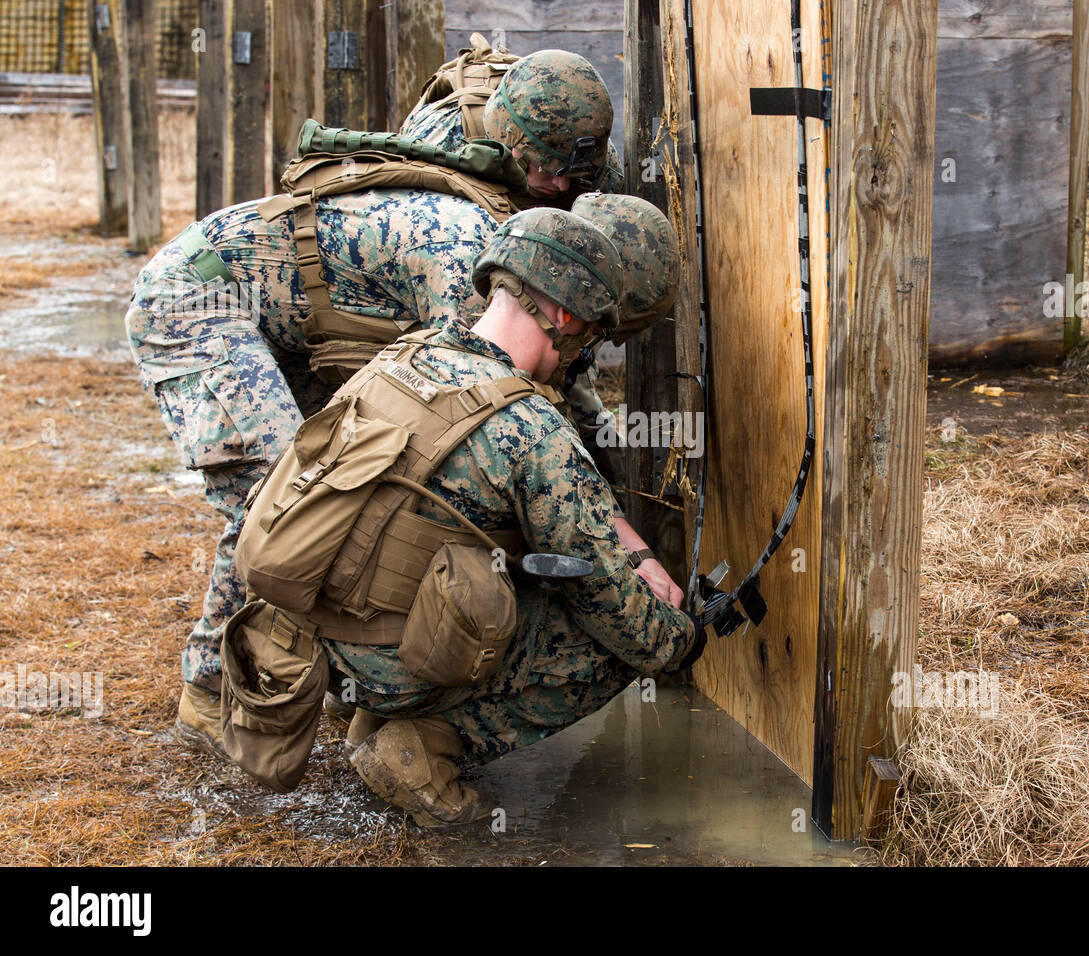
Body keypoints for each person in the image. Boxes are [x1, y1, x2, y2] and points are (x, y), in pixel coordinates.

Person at [125, 63, 623, 756]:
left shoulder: (510, 146)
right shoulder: (463, 251)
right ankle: (216, 694)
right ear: (519, 150)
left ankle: (324, 673)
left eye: (578, 177)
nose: (568, 190)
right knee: (289, 495)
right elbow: (495, 405)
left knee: (328, 480)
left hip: (302, 317)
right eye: (553, 176)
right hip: (202, 302)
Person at [230, 208, 704, 824]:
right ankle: (423, 745)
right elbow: (606, 597)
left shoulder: (402, 358)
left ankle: (372, 717)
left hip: (312, 645)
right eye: (588, 331)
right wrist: (680, 640)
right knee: (617, 640)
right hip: (390, 662)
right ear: (564, 316)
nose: (581, 348)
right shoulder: (532, 429)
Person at [401, 42, 625, 204]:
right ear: (510, 144)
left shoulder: (590, 156)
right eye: (547, 169)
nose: (563, 185)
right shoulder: (442, 142)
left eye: (570, 174)